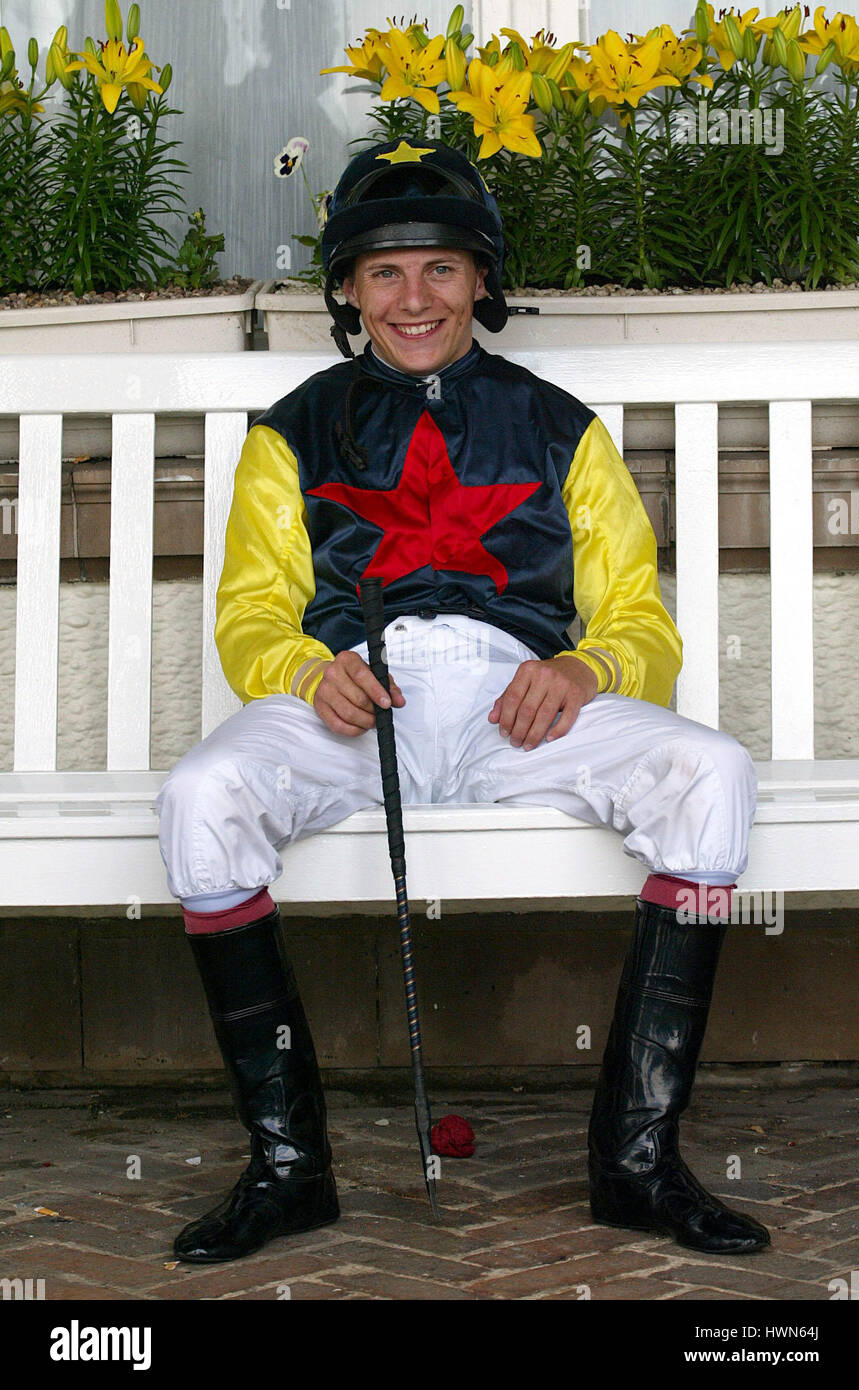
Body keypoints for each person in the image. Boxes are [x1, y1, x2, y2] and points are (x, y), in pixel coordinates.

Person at [155, 136, 770, 1264]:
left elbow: (639, 617)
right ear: (345, 288)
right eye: (383, 272)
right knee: (201, 793)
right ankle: (289, 1170)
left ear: (482, 277)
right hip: (350, 706)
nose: (413, 296)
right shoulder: (289, 430)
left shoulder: (557, 425)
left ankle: (635, 1164)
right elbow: (249, 613)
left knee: (712, 771)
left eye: (439, 267)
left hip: (516, 710)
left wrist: (585, 669)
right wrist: (306, 673)